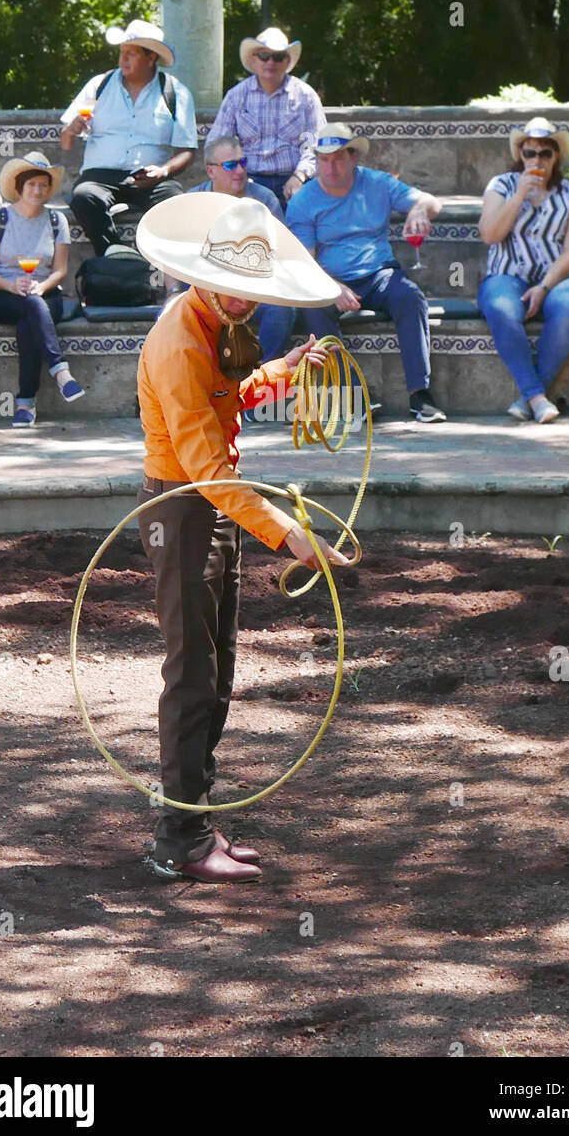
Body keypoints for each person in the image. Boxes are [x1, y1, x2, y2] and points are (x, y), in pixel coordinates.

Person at [135, 192, 348, 884]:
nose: (239, 299)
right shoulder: (178, 341)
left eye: (249, 291)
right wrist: (290, 535)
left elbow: (230, 391)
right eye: (229, 287)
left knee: (216, 670)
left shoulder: (217, 321)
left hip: (213, 506)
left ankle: (193, 824)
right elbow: (200, 467)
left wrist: (283, 371)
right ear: (202, 274)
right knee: (192, 673)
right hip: (184, 509)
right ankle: (178, 841)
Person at [263, 124, 447, 422]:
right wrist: (332, 287)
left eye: (338, 158)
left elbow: (431, 202)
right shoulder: (303, 200)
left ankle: (420, 394)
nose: (330, 166)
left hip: (379, 274)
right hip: (327, 277)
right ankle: (353, 394)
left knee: (412, 298)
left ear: (353, 158)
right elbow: (303, 263)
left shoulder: (378, 183)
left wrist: (417, 210)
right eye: (324, 159)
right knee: (312, 306)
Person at [477, 116, 569, 423]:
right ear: (520, 156)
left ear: (556, 157)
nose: (536, 160)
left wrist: (543, 287)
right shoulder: (501, 186)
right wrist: (519, 196)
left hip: (557, 276)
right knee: (501, 309)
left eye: (545, 153)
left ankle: (528, 399)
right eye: (530, 153)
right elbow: (490, 235)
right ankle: (537, 396)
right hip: (505, 274)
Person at [60, 19, 197, 255]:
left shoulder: (175, 92)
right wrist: (71, 130)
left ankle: (158, 266)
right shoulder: (98, 85)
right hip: (99, 176)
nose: (123, 59)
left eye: (131, 53)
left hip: (150, 178)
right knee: (83, 197)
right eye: (122, 52)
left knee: (176, 204)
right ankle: (114, 256)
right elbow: (65, 141)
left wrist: (163, 171)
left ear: (151, 57)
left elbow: (187, 150)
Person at [0, 152, 85, 428]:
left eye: (43, 185)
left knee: (31, 316)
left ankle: (26, 402)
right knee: (31, 307)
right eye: (32, 185)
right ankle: (61, 372)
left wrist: (42, 285)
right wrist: (11, 285)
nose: (38, 190)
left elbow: (60, 270)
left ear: (49, 189)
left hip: (45, 291)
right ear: (20, 187)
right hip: (2, 293)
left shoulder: (55, 221)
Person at [205, 28, 326, 207]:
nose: (271, 62)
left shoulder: (305, 96)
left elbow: (318, 145)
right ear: (253, 59)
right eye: (264, 56)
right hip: (249, 178)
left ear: (287, 61)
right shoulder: (236, 96)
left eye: (278, 57)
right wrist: (236, 176)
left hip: (294, 178)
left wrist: (299, 177)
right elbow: (216, 144)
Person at [163, 134, 284, 299]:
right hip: (202, 286)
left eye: (242, 163)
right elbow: (170, 251)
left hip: (253, 288)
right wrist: (173, 293)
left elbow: (282, 253)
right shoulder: (193, 201)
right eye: (230, 165)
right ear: (211, 171)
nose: (240, 171)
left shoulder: (265, 200)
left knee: (281, 310)